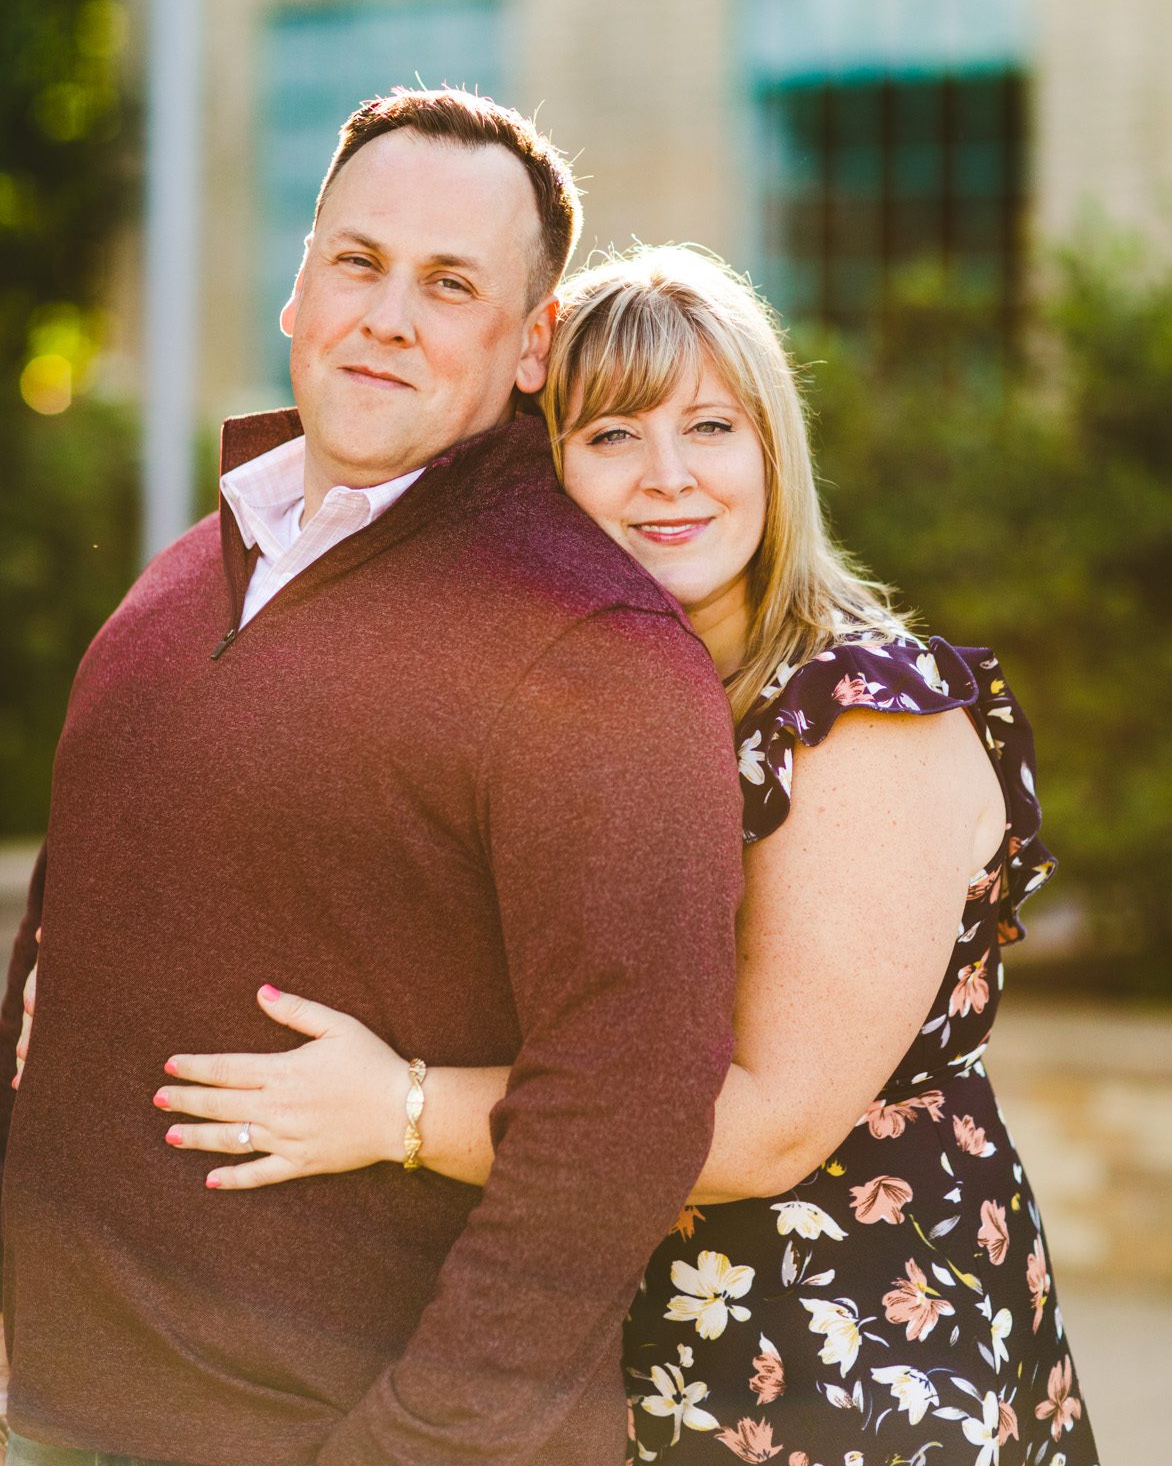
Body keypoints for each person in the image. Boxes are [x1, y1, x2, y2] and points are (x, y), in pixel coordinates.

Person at [106, 245, 1100, 1464]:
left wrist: (399, 1108)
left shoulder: (865, 714)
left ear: (772, 452)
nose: (667, 476)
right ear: (546, 472)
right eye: (612, 434)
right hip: (592, 1342)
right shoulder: (577, 705)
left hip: (845, 1364)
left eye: (711, 425)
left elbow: (767, 1124)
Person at [0, 91, 746, 1466]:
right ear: (299, 287)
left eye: (450, 285)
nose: (388, 316)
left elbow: (621, 1122)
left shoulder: (588, 647)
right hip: (67, 1401)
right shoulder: (204, 554)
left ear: (530, 346)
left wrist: (421, 1445)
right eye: (358, 262)